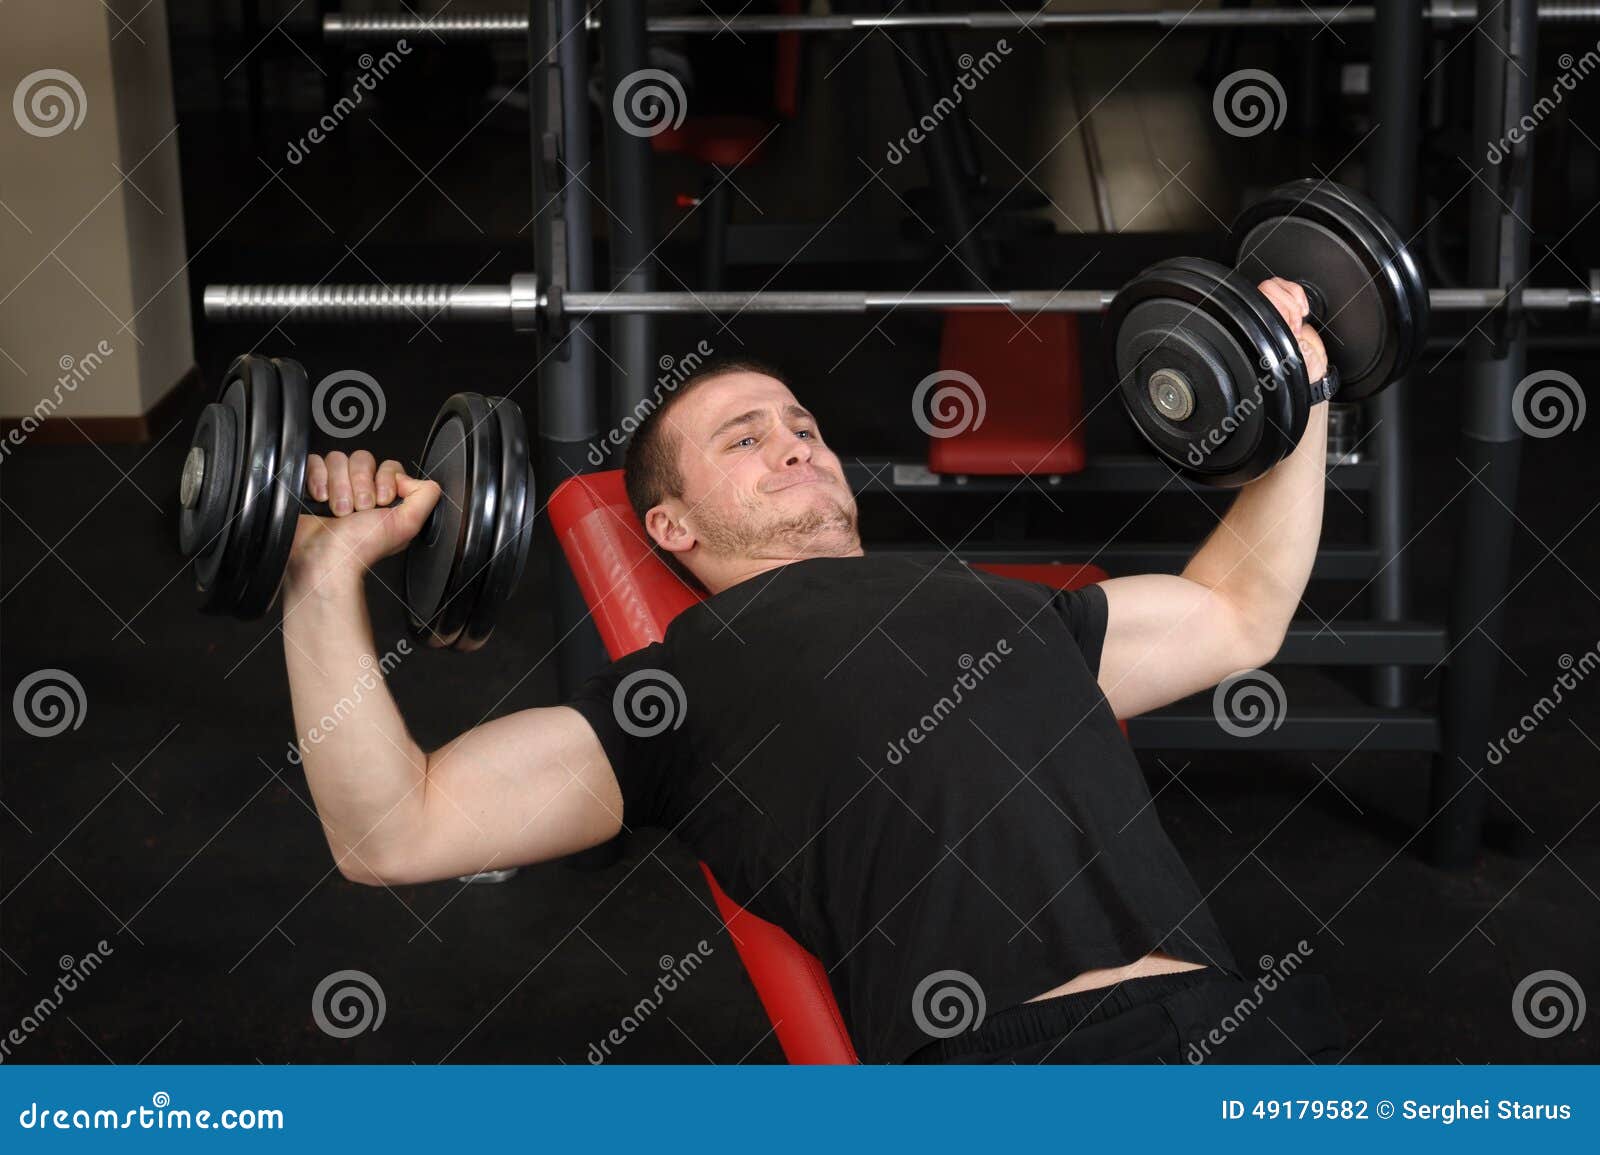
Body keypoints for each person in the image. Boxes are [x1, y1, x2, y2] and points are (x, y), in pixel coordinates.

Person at [283, 277, 1349, 1064]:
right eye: (744, 441)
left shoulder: (1014, 606)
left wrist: (1299, 396)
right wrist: (324, 580)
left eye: (803, 427)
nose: (797, 446)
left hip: (1241, 1030)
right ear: (668, 523)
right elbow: (394, 829)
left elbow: (1234, 615)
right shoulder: (679, 692)